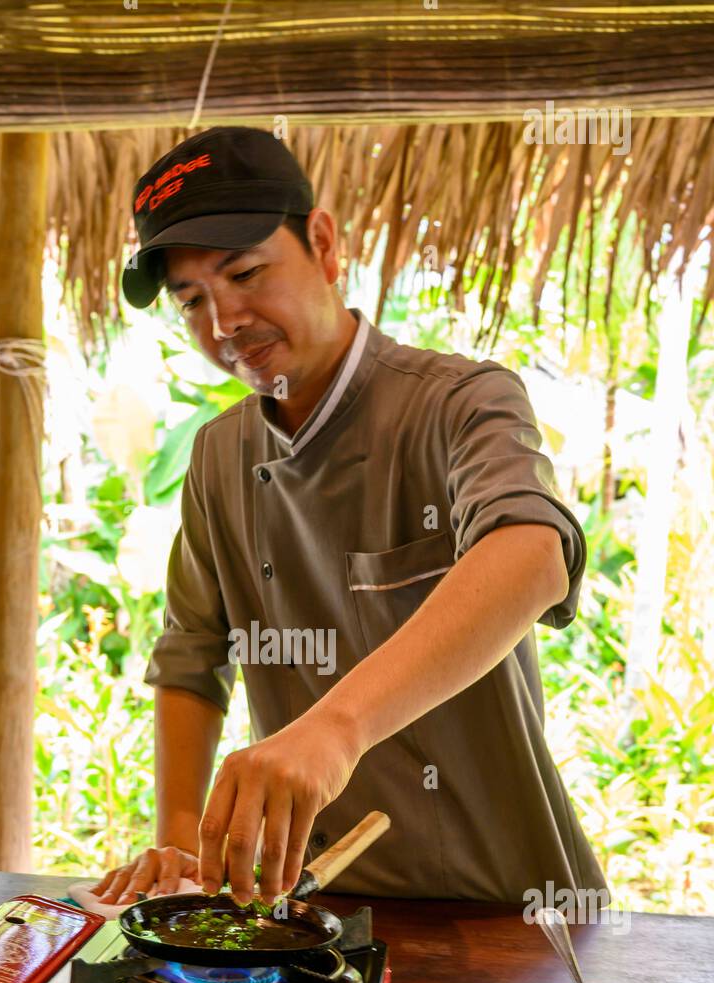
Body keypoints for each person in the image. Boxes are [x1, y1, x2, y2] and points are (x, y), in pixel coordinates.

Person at [93, 125, 610, 913]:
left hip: (515, 915)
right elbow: (192, 657)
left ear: (325, 244)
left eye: (245, 272)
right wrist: (177, 838)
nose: (226, 323)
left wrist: (333, 728)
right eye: (192, 300)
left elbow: (532, 553)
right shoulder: (216, 457)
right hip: (316, 916)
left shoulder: (460, 401)